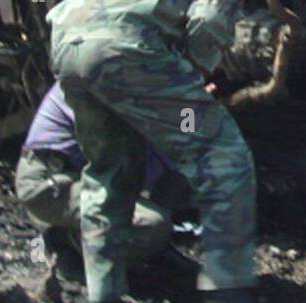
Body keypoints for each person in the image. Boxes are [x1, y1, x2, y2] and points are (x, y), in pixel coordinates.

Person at [48, 0, 296, 303]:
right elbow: (209, 20)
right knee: (225, 160)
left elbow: (89, 0)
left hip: (69, 52)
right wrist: (196, 73)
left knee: (108, 169)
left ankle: (105, 299)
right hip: (131, 56)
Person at [16, 81, 193, 281]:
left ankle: (155, 249)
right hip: (51, 183)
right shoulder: (92, 79)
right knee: (151, 226)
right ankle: (63, 242)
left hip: (93, 176)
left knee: (186, 174)